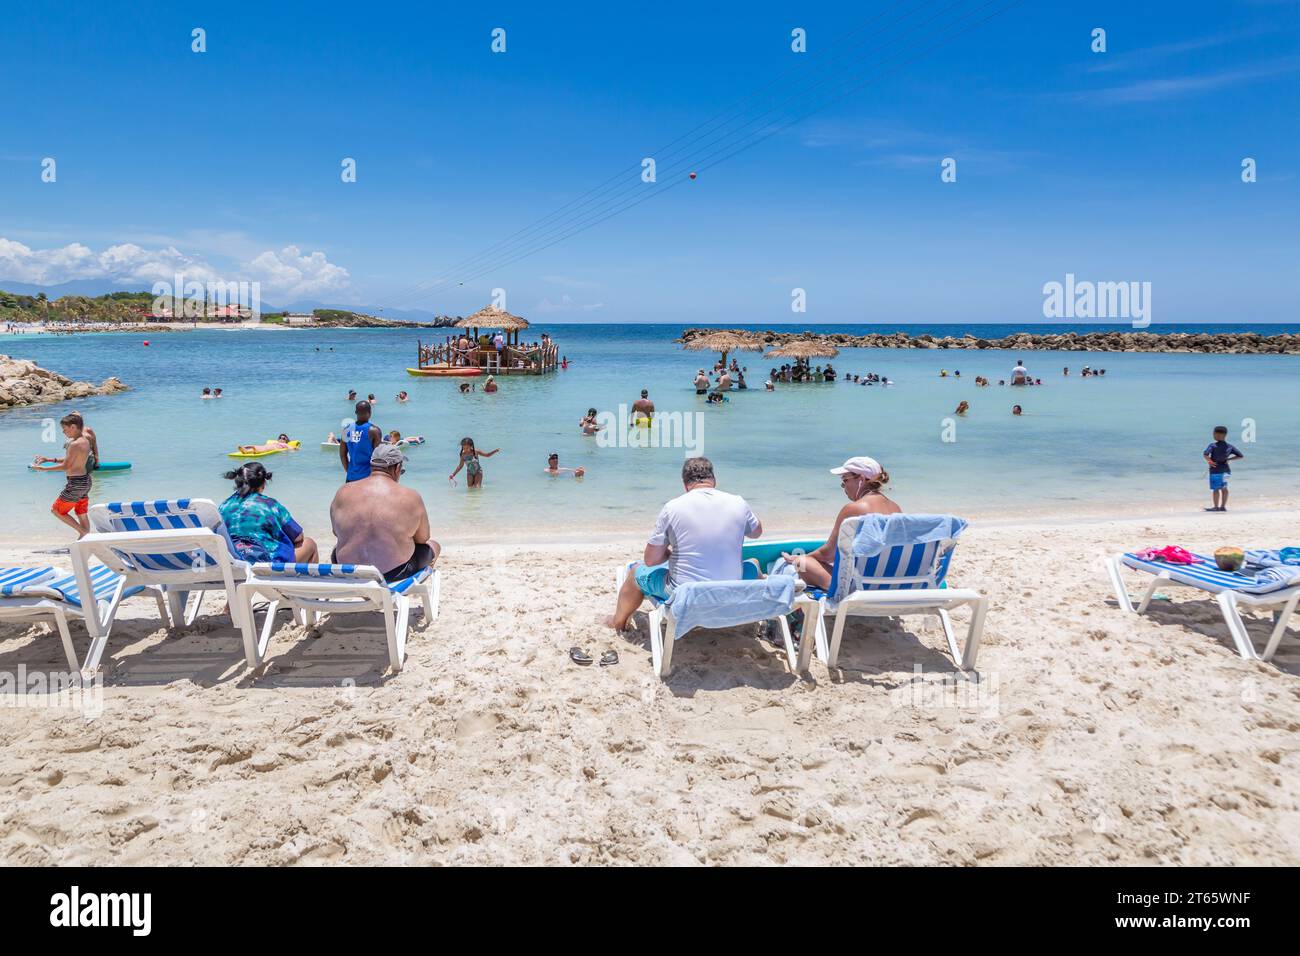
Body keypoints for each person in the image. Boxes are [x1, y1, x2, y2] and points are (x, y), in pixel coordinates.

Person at [606, 457, 762, 631]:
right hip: (730, 591)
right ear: (714, 480)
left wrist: (667, 554)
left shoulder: (672, 508)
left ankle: (617, 622)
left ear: (685, 484)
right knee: (753, 564)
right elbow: (756, 532)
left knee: (635, 573)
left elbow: (650, 560)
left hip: (687, 595)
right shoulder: (738, 502)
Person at [780, 456, 899, 591]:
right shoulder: (896, 509)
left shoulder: (854, 508)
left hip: (857, 587)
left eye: (845, 480)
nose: (843, 486)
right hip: (889, 583)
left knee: (801, 563)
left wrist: (799, 558)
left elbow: (827, 554)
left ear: (861, 479)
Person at [330, 444, 439, 583]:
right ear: (397, 468)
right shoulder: (411, 497)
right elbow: (423, 538)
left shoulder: (343, 492)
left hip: (347, 572)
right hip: (390, 576)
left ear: (372, 466)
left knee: (339, 547)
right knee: (434, 546)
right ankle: (405, 590)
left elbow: (336, 532)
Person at [218, 462, 317, 563]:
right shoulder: (270, 505)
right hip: (266, 566)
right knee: (309, 544)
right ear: (263, 483)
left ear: (237, 482)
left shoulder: (223, 506)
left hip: (234, 564)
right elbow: (298, 537)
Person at [36, 412, 93, 538]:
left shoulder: (73, 444)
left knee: (56, 510)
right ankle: (85, 540)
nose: (63, 432)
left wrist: (43, 469)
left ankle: (83, 533)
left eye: (64, 429)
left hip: (75, 484)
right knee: (81, 512)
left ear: (73, 427)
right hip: (86, 481)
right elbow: (72, 460)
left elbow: (66, 466)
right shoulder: (84, 440)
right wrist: (49, 459)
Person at [1204, 425, 1244, 512]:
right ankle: (1223, 506)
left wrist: (1209, 461)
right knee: (1224, 488)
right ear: (1225, 435)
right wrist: (1229, 459)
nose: (1214, 435)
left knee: (1216, 489)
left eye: (1214, 434)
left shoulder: (1213, 445)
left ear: (1216, 434)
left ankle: (1215, 507)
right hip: (1226, 470)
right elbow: (1240, 456)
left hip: (1215, 470)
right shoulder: (1229, 446)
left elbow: (1205, 454)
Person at [340, 400, 382, 482]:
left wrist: (349, 471)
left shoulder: (346, 430)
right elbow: (378, 457)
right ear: (370, 413)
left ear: (356, 412)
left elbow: (342, 454)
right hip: (368, 477)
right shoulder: (374, 431)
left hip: (351, 476)